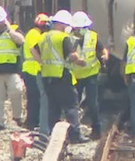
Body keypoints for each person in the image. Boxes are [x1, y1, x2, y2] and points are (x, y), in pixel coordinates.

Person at [31, 10, 90, 144]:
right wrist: (80, 61)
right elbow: (72, 55)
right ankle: (75, 135)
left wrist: (42, 62)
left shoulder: (44, 36)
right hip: (61, 76)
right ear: (64, 25)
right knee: (71, 105)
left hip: (47, 76)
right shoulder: (63, 37)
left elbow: (33, 50)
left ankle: (53, 137)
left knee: (53, 107)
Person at [0, 6, 26, 131]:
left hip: (12, 70)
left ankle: (17, 117)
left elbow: (22, 41)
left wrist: (9, 30)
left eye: (1, 22)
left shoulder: (14, 30)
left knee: (17, 91)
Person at [71, 11, 109, 139]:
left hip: (91, 73)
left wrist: (105, 55)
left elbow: (102, 49)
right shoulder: (68, 38)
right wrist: (76, 61)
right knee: (74, 104)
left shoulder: (93, 36)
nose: (82, 31)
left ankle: (96, 130)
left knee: (93, 103)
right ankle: (74, 130)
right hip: (75, 75)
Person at [22, 13, 50, 135]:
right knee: (34, 97)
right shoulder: (34, 34)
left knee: (36, 97)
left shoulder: (35, 34)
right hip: (32, 70)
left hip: (33, 69)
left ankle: (34, 121)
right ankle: (32, 122)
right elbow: (34, 50)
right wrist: (42, 63)